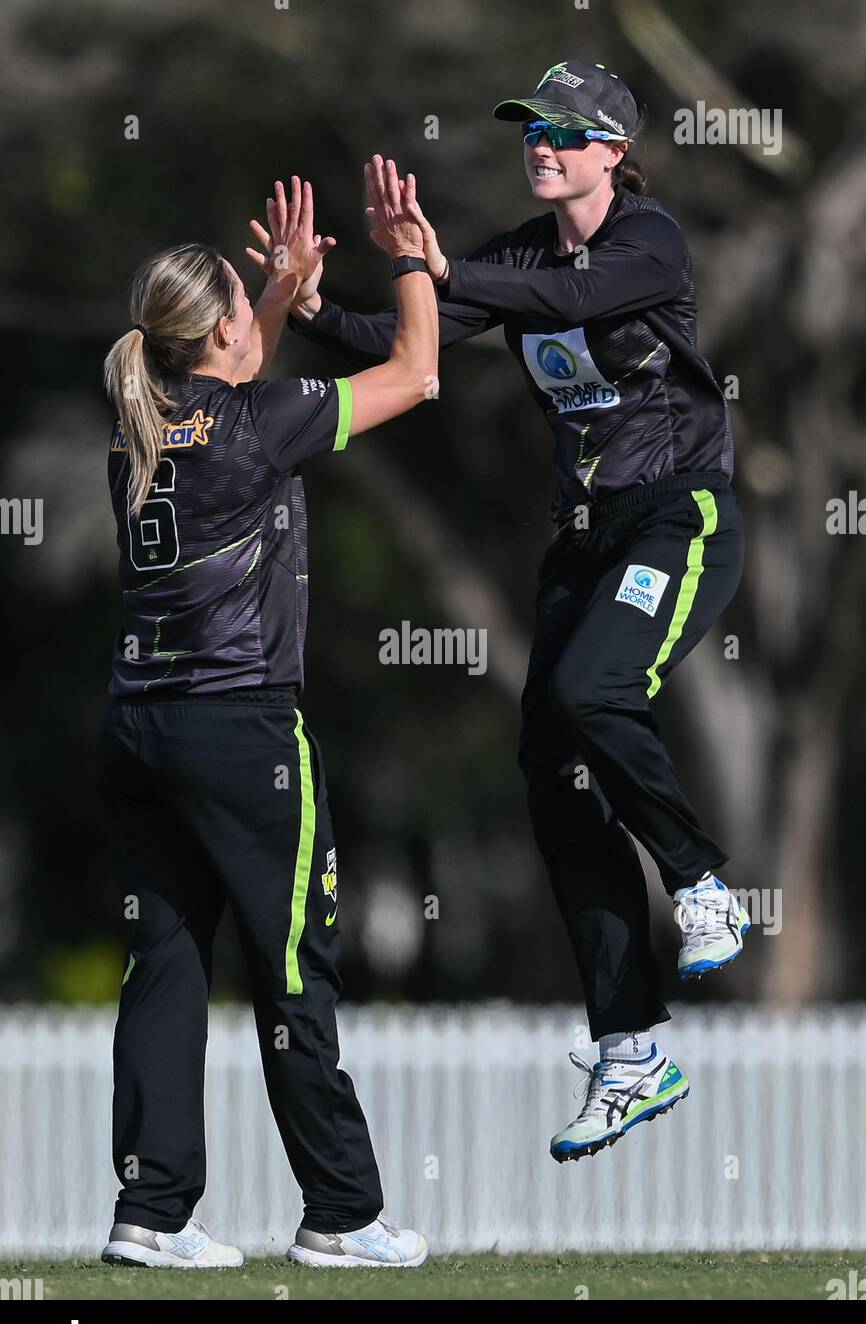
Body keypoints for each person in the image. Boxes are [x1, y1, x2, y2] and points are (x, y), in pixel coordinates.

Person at [290, 61, 748, 1163]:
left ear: (609, 151)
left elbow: (577, 300)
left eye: (562, 130)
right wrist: (309, 306)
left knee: (596, 692)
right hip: (582, 539)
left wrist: (443, 267)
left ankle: (700, 883)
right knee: (552, 772)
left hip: (671, 519)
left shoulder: (650, 242)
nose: (538, 143)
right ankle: (628, 1049)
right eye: (529, 127)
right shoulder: (508, 256)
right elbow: (409, 342)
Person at [98, 159, 437, 1268]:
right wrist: (404, 253)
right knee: (294, 962)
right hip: (242, 731)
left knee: (168, 963)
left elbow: (236, 404)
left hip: (139, 728)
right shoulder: (252, 424)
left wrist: (280, 290)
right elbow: (417, 371)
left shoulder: (138, 431)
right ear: (224, 333)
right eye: (245, 306)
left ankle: (150, 1215)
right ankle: (339, 1212)